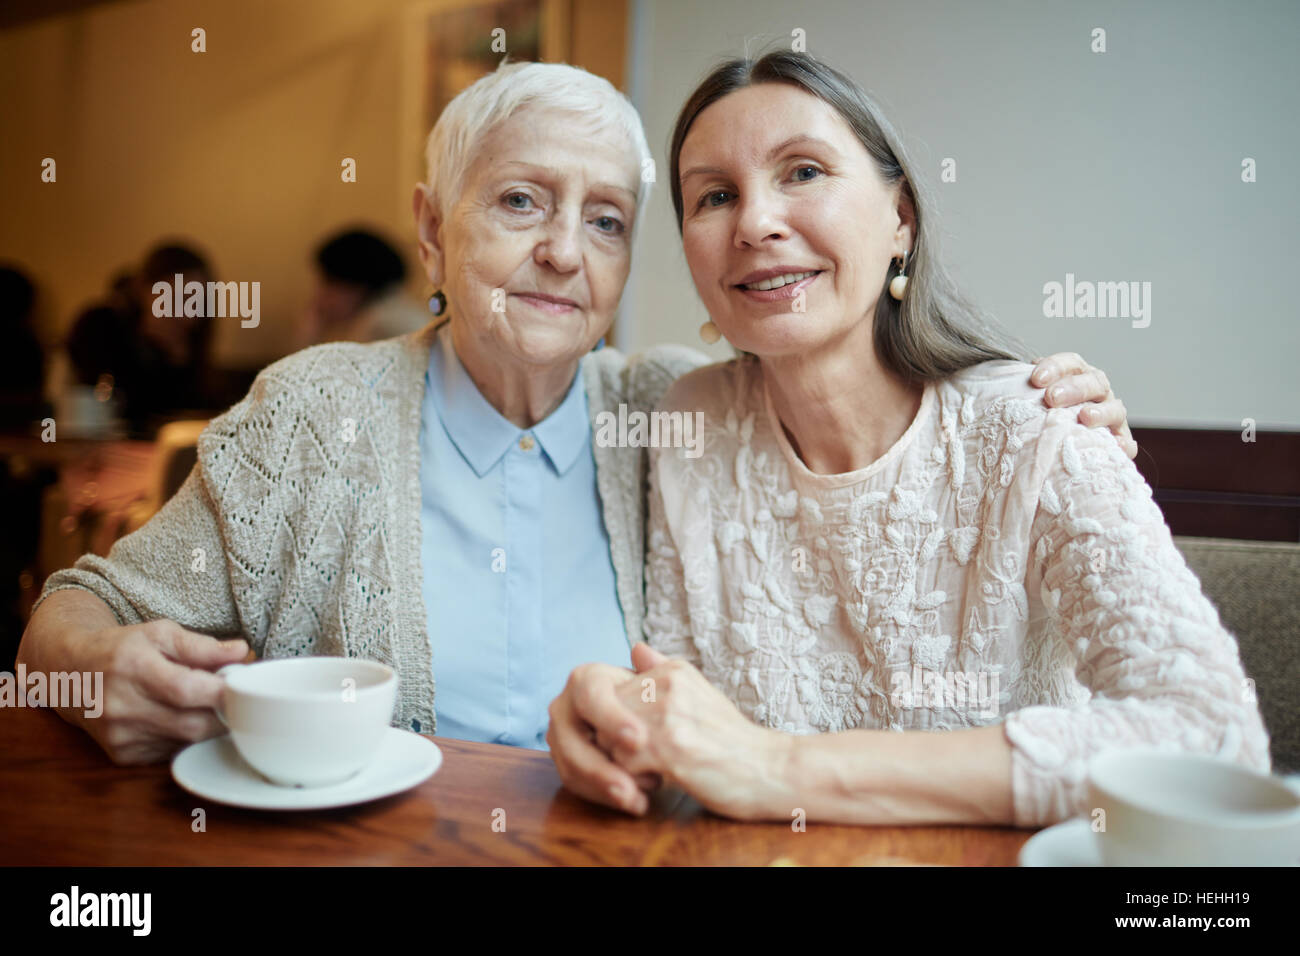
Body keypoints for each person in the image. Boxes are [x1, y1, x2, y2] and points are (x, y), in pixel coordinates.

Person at [18, 60, 1131, 773]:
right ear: (429, 229)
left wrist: (1046, 417)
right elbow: (71, 607)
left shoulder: (676, 412)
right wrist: (91, 667)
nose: (562, 250)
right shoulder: (315, 413)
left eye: (605, 221)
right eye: (518, 201)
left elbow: (868, 426)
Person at [545, 51, 1269, 828]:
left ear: (901, 221)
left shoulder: (1040, 425)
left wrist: (780, 770)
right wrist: (610, 723)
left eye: (804, 172)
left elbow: (1215, 742)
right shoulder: (692, 423)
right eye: (716, 196)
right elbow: (681, 732)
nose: (755, 222)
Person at [65, 242, 219, 435]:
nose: (188, 315)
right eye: (179, 299)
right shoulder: (101, 324)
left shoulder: (191, 346)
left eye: (198, 304)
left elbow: (193, 414)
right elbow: (103, 400)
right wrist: (155, 352)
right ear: (146, 289)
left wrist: (176, 362)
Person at [299, 228, 430, 346]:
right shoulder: (393, 310)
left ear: (357, 286)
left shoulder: (382, 324)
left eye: (328, 283)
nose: (319, 295)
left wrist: (309, 334)